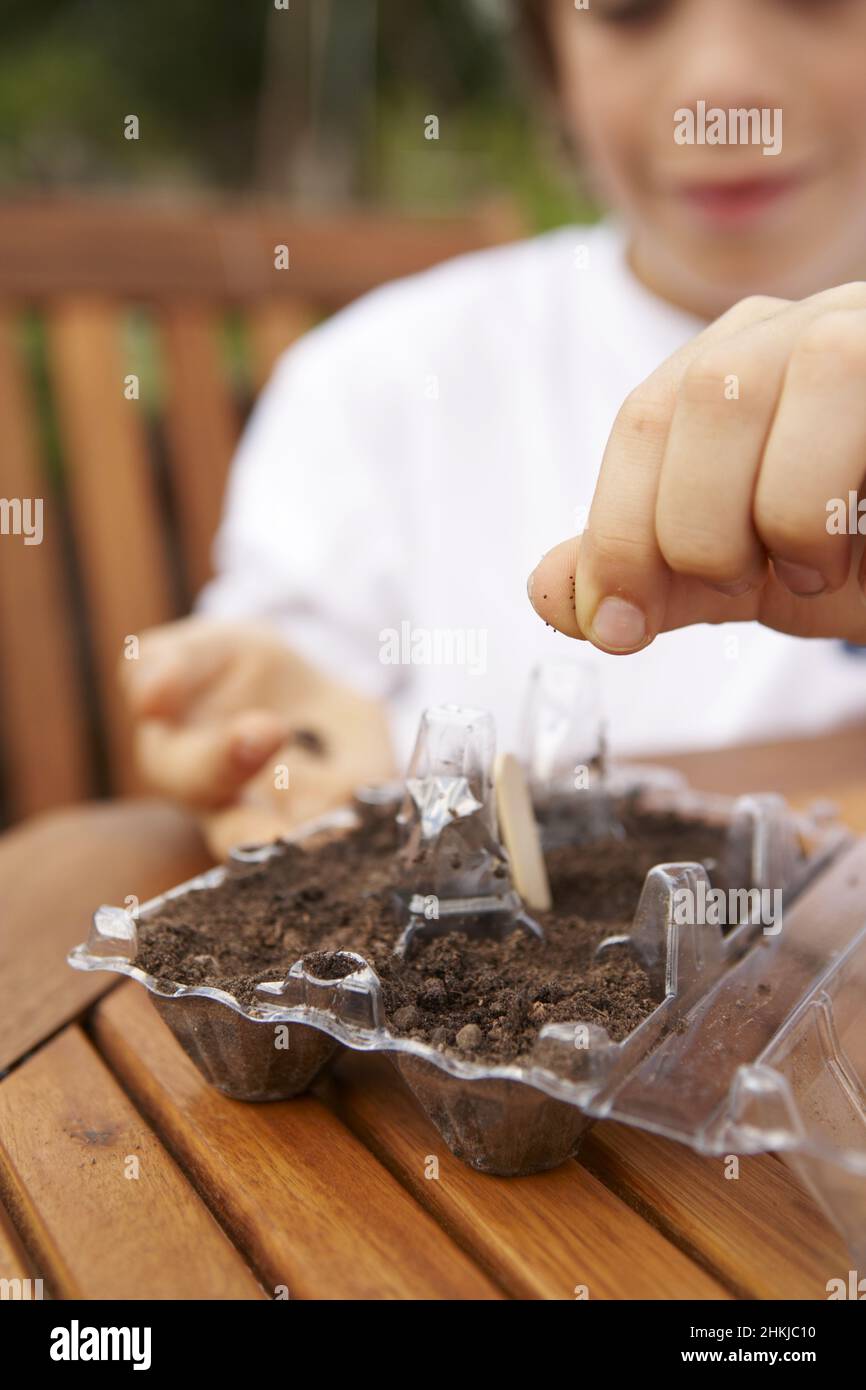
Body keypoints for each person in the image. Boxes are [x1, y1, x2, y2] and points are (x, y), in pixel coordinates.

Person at [122, 0, 866, 858]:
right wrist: (283, 742)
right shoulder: (379, 378)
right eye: (627, 10)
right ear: (550, 54)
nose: (721, 86)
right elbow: (294, 708)